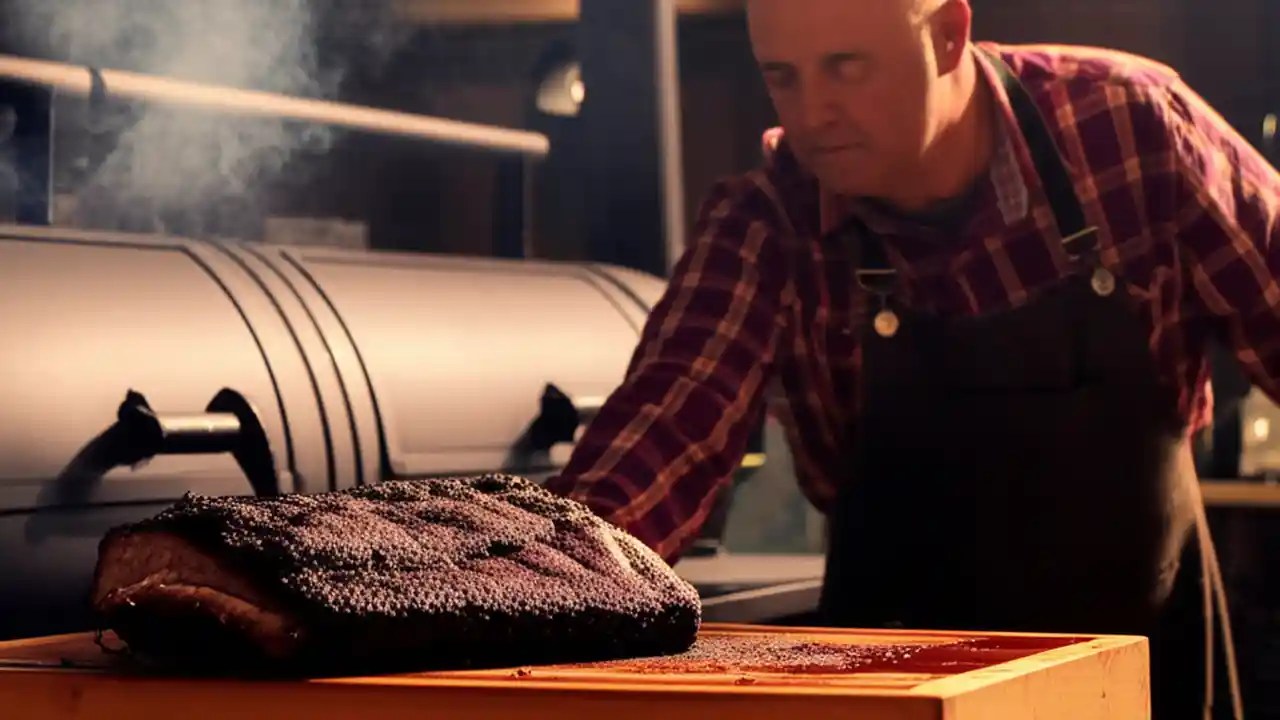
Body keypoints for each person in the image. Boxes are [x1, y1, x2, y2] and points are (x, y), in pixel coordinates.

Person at [544, 0, 1280, 716]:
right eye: (784, 75)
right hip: (898, 692)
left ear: (951, 35)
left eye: (847, 67)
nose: (811, 114)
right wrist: (525, 598)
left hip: (1146, 678)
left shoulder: (1130, 129)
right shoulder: (770, 223)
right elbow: (659, 440)